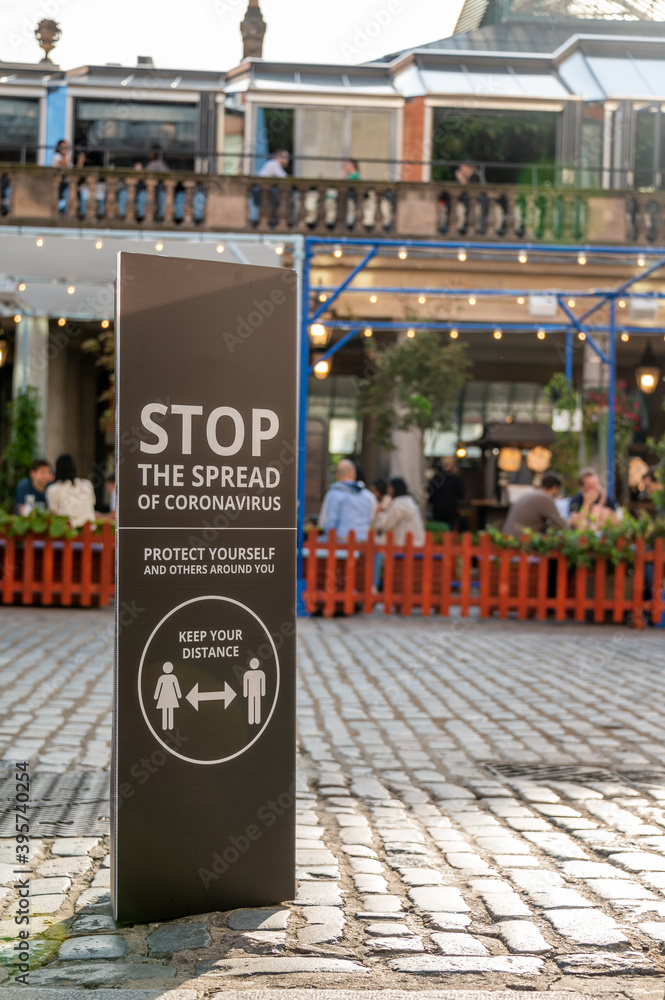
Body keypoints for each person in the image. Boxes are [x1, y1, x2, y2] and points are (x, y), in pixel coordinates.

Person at [318, 459, 375, 542]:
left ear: (336, 475)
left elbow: (324, 521)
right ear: (354, 474)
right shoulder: (368, 495)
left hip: (340, 541)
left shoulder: (333, 494)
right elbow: (371, 520)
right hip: (364, 541)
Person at [502, 471, 567, 536]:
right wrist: (569, 522)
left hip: (507, 537)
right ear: (555, 488)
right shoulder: (545, 498)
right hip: (520, 539)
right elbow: (561, 525)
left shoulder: (530, 494)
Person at [46, 454, 96, 528]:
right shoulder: (87, 485)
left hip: (67, 531)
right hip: (90, 530)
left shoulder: (53, 489)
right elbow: (93, 503)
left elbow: (53, 512)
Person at [375, 477, 426, 547]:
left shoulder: (399, 503)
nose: (388, 490)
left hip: (407, 545)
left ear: (395, 488)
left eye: (390, 487)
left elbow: (386, 524)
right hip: (416, 543)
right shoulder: (408, 500)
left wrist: (380, 511)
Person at [428, 457, 464, 530]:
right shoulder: (455, 479)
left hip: (437, 510)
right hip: (451, 511)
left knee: (436, 531)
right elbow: (461, 494)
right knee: (449, 532)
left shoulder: (435, 478)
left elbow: (430, 494)